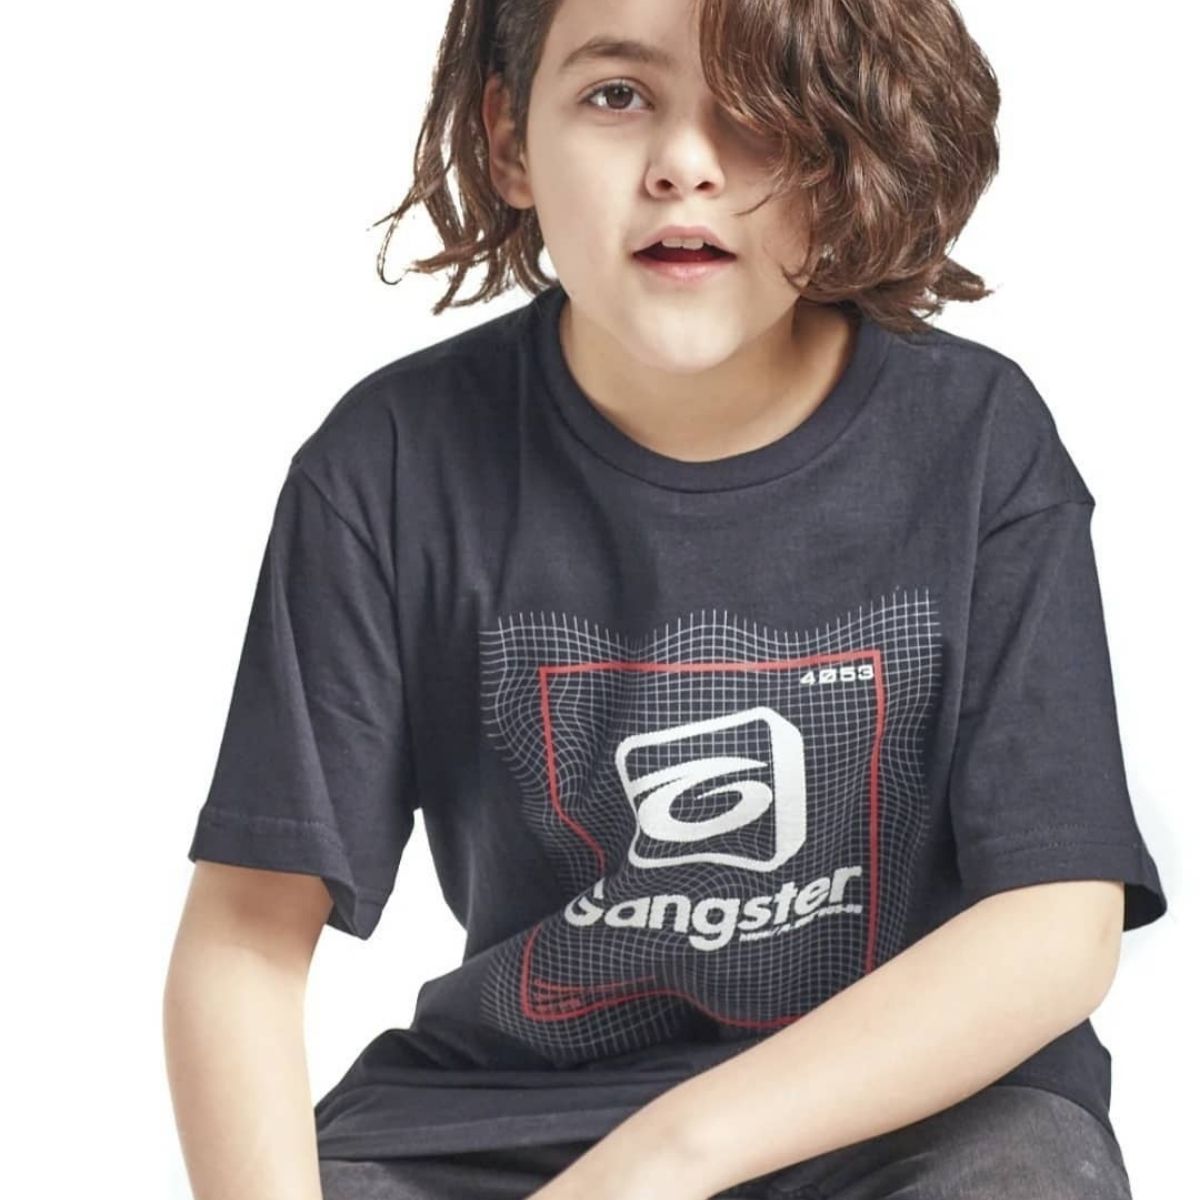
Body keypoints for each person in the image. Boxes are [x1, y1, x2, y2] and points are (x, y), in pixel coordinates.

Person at [163, 1, 1169, 1198]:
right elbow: (243, 941)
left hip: (913, 1113)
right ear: (509, 141)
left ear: (841, 139)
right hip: (496, 1125)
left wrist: (658, 1164)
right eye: (617, 96)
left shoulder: (977, 440)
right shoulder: (388, 465)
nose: (684, 163)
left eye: (757, 103)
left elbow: (1057, 924)